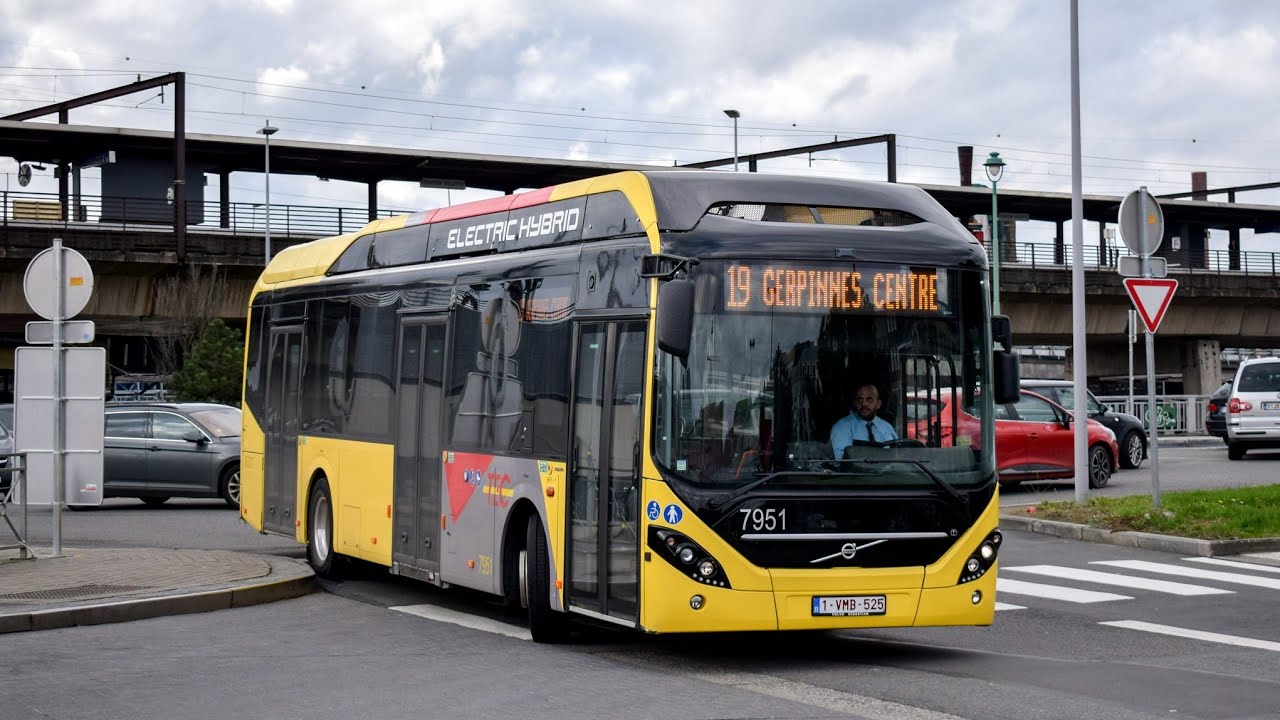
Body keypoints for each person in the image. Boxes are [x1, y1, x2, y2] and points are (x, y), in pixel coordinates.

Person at [830, 384, 898, 458]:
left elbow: (897, 455)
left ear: (878, 404)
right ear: (855, 403)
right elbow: (843, 462)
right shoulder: (843, 427)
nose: (864, 404)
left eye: (869, 399)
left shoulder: (887, 427)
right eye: (860, 399)